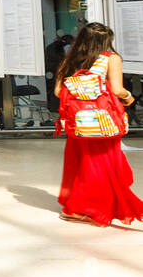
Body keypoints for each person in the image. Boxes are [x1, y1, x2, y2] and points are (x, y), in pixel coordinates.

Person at [53, 22, 142, 226]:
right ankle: (93, 207)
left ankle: (79, 206)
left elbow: (59, 92)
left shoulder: (69, 61)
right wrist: (129, 98)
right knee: (106, 163)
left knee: (83, 163)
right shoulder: (111, 59)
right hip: (103, 121)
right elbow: (118, 90)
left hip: (79, 123)